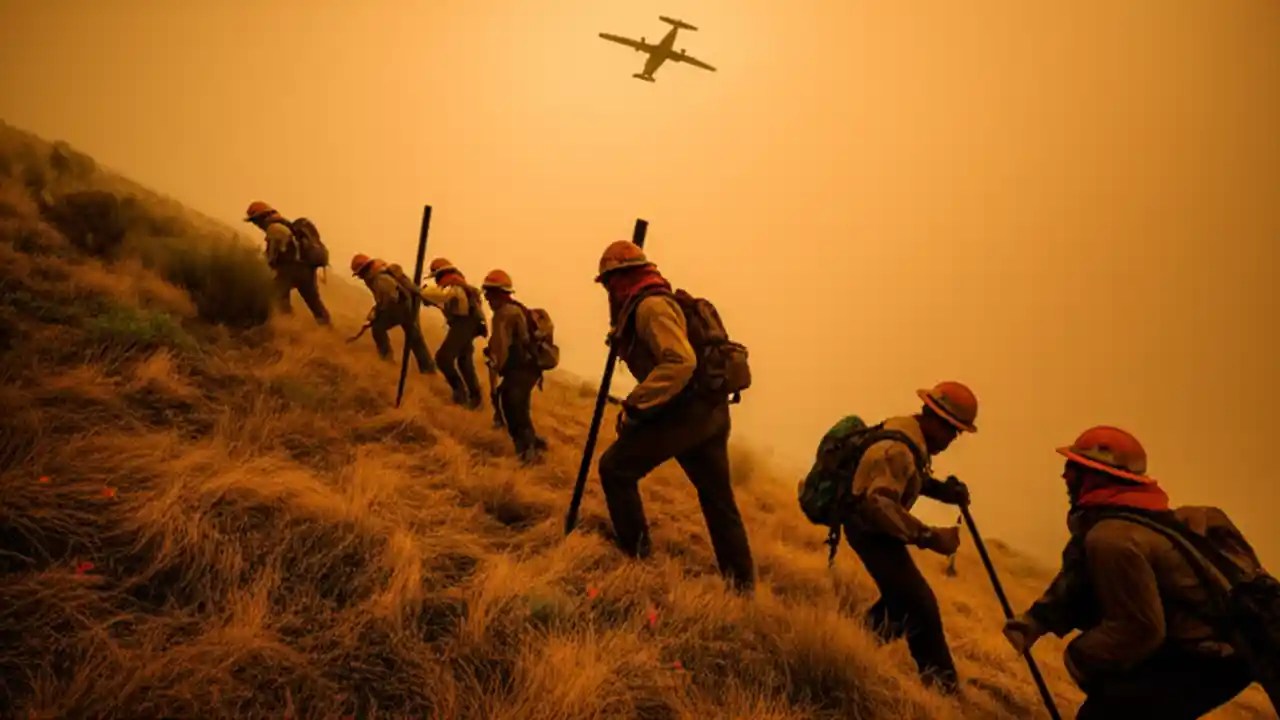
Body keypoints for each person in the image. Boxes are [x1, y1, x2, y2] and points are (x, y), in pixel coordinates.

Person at [1002, 426, 1267, 719]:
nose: (1064, 477)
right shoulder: (1144, 524)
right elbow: (1080, 583)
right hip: (1229, 656)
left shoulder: (1113, 538)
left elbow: (1140, 629)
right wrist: (1035, 622)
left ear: (1096, 477)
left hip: (1205, 659)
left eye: (1073, 468)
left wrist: (1080, 656)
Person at [593, 239, 755, 594]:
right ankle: (742, 587)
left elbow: (680, 361)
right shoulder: (653, 300)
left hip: (685, 413)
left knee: (615, 468)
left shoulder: (650, 307)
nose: (607, 289)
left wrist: (635, 405)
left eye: (608, 282)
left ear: (621, 277)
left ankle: (635, 556)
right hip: (710, 412)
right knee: (718, 499)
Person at [838, 381, 979, 693]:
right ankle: (942, 689)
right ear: (931, 416)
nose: (951, 439)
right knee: (920, 605)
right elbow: (878, 505)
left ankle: (846, 648)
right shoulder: (898, 448)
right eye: (950, 430)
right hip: (870, 529)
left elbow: (906, 476)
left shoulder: (908, 436)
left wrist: (942, 491)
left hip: (871, 526)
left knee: (902, 603)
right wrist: (928, 536)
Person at [481, 269, 549, 464]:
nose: (487, 297)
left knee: (512, 406)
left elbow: (501, 347)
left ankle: (527, 453)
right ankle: (534, 443)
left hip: (522, 368)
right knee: (517, 404)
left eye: (490, 292)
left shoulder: (504, 314)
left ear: (500, 293)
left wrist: (495, 364)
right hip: (529, 367)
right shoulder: (514, 308)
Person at [243, 201, 331, 325]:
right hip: (306, 269)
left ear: (261, 218)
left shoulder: (274, 229)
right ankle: (327, 328)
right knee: (314, 303)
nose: (256, 225)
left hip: (291, 270)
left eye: (255, 221)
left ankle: (289, 327)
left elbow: (272, 255)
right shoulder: (284, 224)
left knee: (279, 298)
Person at [349, 253, 436, 373]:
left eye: (359, 274)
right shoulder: (380, 273)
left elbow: (391, 297)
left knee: (378, 329)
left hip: (400, 306)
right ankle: (428, 369)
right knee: (415, 338)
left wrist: (378, 312)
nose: (359, 277)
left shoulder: (378, 278)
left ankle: (386, 359)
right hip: (407, 304)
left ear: (363, 270)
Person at [419, 258, 486, 409]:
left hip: (464, 324)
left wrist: (421, 291)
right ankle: (475, 399)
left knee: (443, 358)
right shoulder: (459, 284)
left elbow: (443, 296)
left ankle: (460, 393)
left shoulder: (453, 284)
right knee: (464, 361)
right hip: (466, 324)